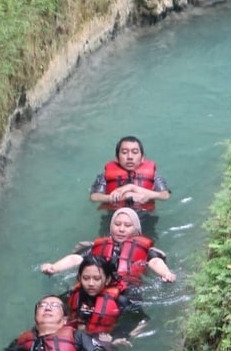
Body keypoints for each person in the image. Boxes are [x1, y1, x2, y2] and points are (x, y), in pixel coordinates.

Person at [41, 208, 175, 287]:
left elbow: (155, 262)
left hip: (129, 286)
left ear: (136, 231)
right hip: (98, 284)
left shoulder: (144, 249)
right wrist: (54, 268)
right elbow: (76, 259)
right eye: (117, 224)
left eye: (127, 226)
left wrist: (166, 273)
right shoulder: (99, 246)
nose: (121, 229)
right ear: (111, 227)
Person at [65, 255, 144, 340]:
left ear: (107, 280)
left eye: (97, 278)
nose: (91, 283)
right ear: (79, 278)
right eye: (86, 278)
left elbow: (142, 320)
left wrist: (117, 337)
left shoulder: (120, 301)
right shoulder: (74, 294)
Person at [88, 136, 170, 213]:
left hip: (144, 213)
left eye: (135, 152)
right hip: (115, 214)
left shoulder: (154, 175)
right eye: (124, 152)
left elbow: (164, 195)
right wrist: (118, 197)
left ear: (142, 158)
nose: (130, 157)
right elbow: (94, 197)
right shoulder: (105, 175)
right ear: (117, 158)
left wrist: (132, 188)